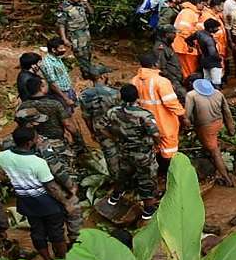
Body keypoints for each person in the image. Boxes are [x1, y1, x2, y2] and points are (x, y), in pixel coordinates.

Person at [0, 127, 74, 260]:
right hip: (47, 203)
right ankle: (62, 259)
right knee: (56, 233)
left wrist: (4, 178)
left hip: (26, 201)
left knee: (37, 232)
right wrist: (66, 203)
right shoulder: (37, 162)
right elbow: (52, 188)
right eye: (36, 138)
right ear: (29, 143)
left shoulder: (2, 156)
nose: (38, 139)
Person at [5, 105, 80, 243]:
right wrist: (70, 185)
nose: (40, 123)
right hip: (47, 185)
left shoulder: (6, 142)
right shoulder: (40, 142)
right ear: (30, 124)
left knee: (37, 226)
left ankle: (44, 249)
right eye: (37, 121)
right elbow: (55, 167)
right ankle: (75, 241)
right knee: (73, 207)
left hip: (24, 188)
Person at [103, 84, 162, 220]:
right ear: (137, 96)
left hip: (124, 151)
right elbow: (155, 134)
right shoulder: (144, 115)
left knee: (123, 174)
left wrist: (115, 138)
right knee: (146, 179)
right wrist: (158, 145)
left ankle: (115, 196)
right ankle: (148, 210)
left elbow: (102, 127)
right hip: (143, 154)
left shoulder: (112, 112)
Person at [132, 53, 187, 174]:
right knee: (169, 150)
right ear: (155, 64)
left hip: (146, 123)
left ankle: (159, 172)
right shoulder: (161, 81)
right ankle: (170, 174)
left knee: (155, 148)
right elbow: (171, 103)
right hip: (165, 122)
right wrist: (183, 116)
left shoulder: (135, 80)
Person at [185, 78, 236, 186]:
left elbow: (187, 115)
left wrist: (185, 125)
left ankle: (226, 178)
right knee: (212, 144)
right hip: (218, 123)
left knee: (215, 152)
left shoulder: (191, 95)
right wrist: (231, 128)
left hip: (206, 127)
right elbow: (226, 111)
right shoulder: (218, 93)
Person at [78, 65, 120, 179]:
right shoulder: (115, 93)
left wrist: (92, 132)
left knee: (110, 155)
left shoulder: (84, 95)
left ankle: (116, 179)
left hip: (100, 130)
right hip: (117, 129)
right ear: (103, 76)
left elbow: (86, 117)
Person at [55, 0, 94, 76]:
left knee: (88, 52)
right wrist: (64, 38)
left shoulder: (81, 4)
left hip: (85, 33)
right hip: (75, 34)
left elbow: (91, 12)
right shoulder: (64, 7)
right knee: (80, 54)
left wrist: (87, 4)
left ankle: (88, 70)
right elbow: (61, 24)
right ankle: (86, 73)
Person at [39, 38, 77, 108]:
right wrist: (66, 99)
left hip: (67, 90)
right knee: (65, 115)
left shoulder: (57, 58)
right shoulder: (48, 64)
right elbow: (53, 84)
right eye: (61, 48)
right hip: (60, 94)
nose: (64, 50)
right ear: (54, 50)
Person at [153, 26, 187, 102]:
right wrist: (171, 82)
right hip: (171, 80)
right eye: (173, 33)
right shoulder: (161, 47)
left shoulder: (168, 45)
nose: (175, 35)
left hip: (176, 78)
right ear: (167, 34)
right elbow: (161, 67)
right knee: (183, 96)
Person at [172, 0, 202, 79]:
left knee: (186, 68)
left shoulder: (188, 12)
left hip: (182, 44)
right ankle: (190, 84)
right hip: (185, 45)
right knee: (189, 68)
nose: (204, 6)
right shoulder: (189, 13)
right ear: (197, 4)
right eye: (202, 4)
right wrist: (191, 42)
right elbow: (184, 29)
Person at [190, 19, 226, 87]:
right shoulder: (209, 39)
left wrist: (191, 47)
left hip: (204, 60)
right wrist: (219, 59)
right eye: (216, 28)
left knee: (207, 81)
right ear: (210, 29)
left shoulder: (199, 33)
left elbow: (188, 39)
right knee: (216, 82)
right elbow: (212, 53)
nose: (217, 29)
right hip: (214, 62)